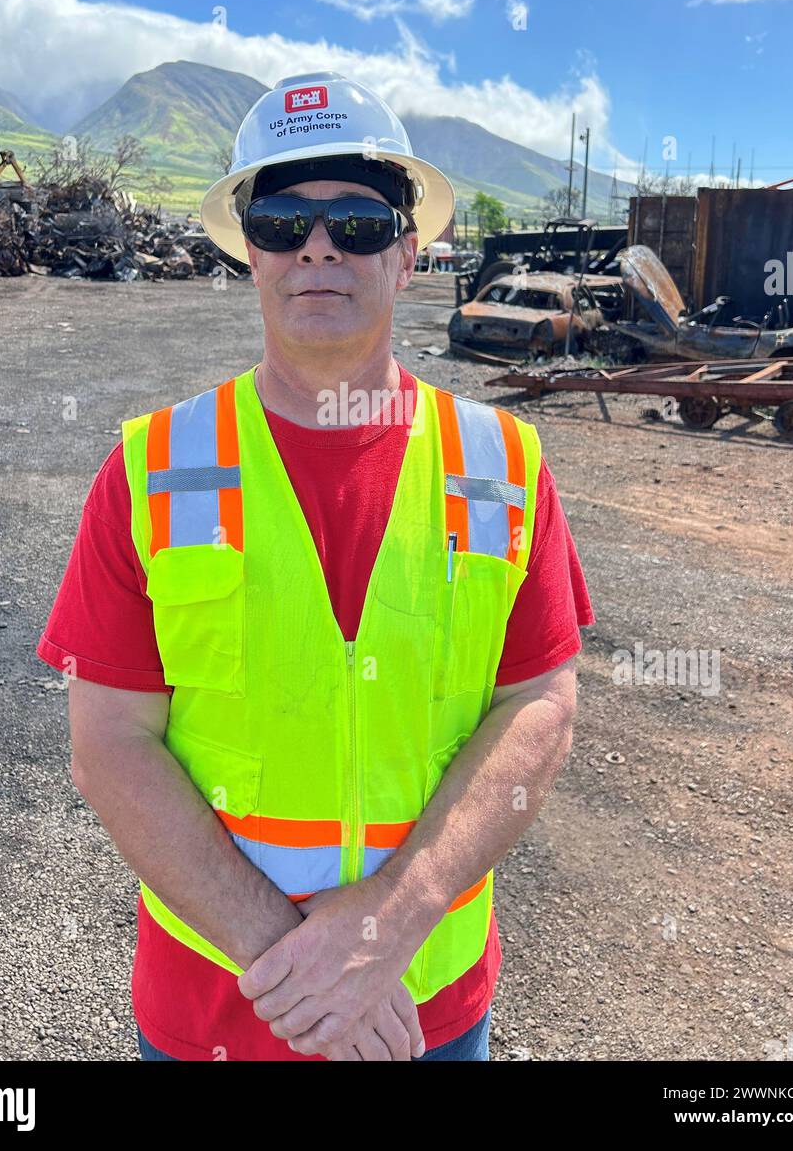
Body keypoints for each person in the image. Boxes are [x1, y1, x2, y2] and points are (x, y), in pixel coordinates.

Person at [38, 71, 593, 1061]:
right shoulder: (154, 469)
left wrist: (387, 923)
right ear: (248, 250)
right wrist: (304, 964)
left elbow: (538, 705)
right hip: (217, 1015)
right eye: (285, 219)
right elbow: (110, 743)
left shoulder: (500, 465)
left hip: (425, 1012)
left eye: (360, 224)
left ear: (411, 252)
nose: (320, 247)